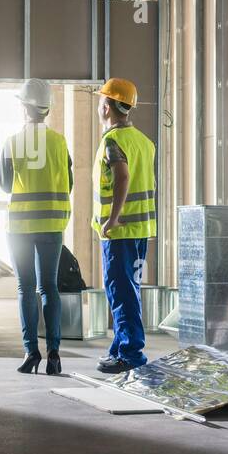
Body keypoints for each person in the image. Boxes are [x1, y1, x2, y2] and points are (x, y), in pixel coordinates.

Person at [0, 78, 73, 375]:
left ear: (24, 106)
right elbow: (69, 182)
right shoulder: (59, 142)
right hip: (52, 224)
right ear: (46, 109)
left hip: (19, 226)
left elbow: (5, 185)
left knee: (25, 288)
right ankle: (54, 354)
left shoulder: (12, 142)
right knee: (49, 287)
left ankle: (31, 352)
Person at [91, 78, 157, 374]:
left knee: (120, 291)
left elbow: (123, 177)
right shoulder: (143, 141)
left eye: (100, 102)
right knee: (129, 289)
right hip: (141, 230)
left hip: (121, 232)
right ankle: (121, 348)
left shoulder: (111, 141)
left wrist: (113, 217)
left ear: (107, 107)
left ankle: (130, 354)